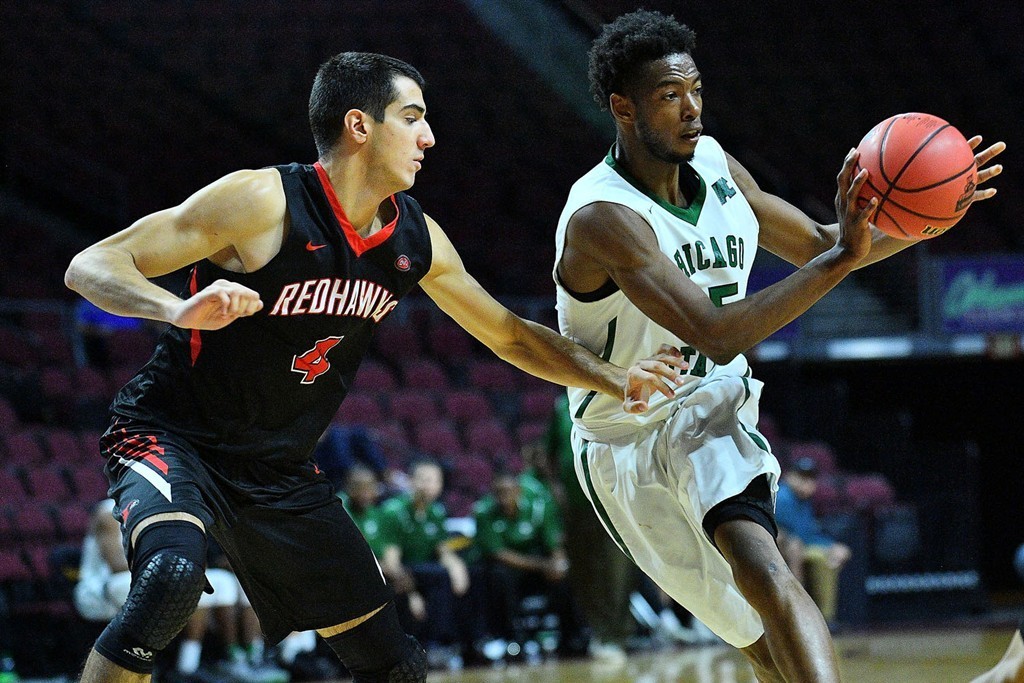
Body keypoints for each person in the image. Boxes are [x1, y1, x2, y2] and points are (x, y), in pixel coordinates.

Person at [63, 50, 683, 683]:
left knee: (394, 665)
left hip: (276, 468)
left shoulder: (416, 240)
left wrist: (613, 377)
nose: (429, 137)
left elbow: (511, 337)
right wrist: (176, 308)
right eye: (412, 117)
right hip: (173, 435)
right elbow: (91, 266)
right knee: (170, 578)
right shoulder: (261, 201)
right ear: (360, 125)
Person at [553, 10, 1004, 682]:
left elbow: (824, 246)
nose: (691, 109)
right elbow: (715, 327)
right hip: (621, 441)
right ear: (623, 108)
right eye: (669, 97)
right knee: (759, 645)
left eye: (696, 90)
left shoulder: (715, 164)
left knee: (763, 566)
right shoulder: (603, 217)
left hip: (706, 408)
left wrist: (931, 215)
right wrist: (842, 257)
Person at [73, 499, 240, 681]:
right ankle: (163, 668)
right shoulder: (108, 512)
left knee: (221, 582)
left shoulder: (161, 508)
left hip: (144, 575)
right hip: (100, 587)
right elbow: (116, 564)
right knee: (180, 581)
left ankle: (204, 664)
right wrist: (167, 565)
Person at [472, 467, 586, 659]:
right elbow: (499, 553)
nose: (503, 497)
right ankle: (513, 639)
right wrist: (543, 565)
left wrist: (558, 564)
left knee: (564, 578)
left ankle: (574, 636)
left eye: (507, 492)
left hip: (537, 565)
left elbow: (553, 542)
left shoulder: (538, 506)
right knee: (499, 575)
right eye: (498, 493)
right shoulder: (484, 512)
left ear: (518, 491)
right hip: (509, 569)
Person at [376, 458, 473, 666]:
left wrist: (457, 566)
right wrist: (412, 594)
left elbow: (442, 550)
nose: (429, 485)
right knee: (438, 576)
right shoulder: (393, 511)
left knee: (465, 575)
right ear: (411, 481)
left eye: (434, 480)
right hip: (400, 574)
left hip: (428, 574)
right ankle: (433, 644)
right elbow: (391, 563)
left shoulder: (435, 511)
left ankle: (468, 644)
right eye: (423, 479)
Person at [774, 458, 851, 627]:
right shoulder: (782, 497)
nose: (807, 483)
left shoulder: (803, 500)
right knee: (801, 550)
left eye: (811, 479)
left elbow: (807, 533)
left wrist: (832, 546)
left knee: (828, 557)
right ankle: (797, 610)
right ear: (789, 476)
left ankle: (826, 619)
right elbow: (793, 535)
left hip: (801, 546)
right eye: (802, 477)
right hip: (779, 551)